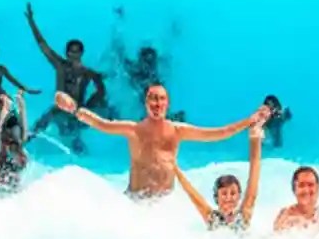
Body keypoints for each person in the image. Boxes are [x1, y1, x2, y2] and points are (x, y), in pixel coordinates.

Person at [53, 84, 267, 198]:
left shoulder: (178, 130)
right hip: (136, 204)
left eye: (162, 98)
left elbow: (219, 133)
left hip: (165, 206)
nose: (157, 102)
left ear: (168, 104)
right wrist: (74, 109)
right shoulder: (133, 129)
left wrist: (251, 120)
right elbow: (101, 124)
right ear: (146, 103)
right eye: (153, 98)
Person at [24, 3, 106, 149]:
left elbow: (101, 90)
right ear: (66, 53)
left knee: (75, 135)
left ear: (82, 53)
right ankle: (28, 138)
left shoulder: (88, 73)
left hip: (77, 111)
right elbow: (43, 46)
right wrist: (31, 22)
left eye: (77, 52)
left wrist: (91, 104)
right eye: (71, 52)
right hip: (59, 109)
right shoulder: (60, 65)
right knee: (45, 119)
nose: (73, 55)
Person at [174, 122, 264, 231]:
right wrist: (173, 167)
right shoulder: (212, 219)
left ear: (239, 196)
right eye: (224, 193)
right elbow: (192, 194)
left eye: (233, 193)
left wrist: (255, 140)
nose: (228, 198)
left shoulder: (243, 217)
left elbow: (253, 181)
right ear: (217, 197)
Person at [0, 91, 29, 196]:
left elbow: (23, 126)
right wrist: (5, 109)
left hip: (6, 194)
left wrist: (20, 103)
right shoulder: (1, 150)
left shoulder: (19, 151)